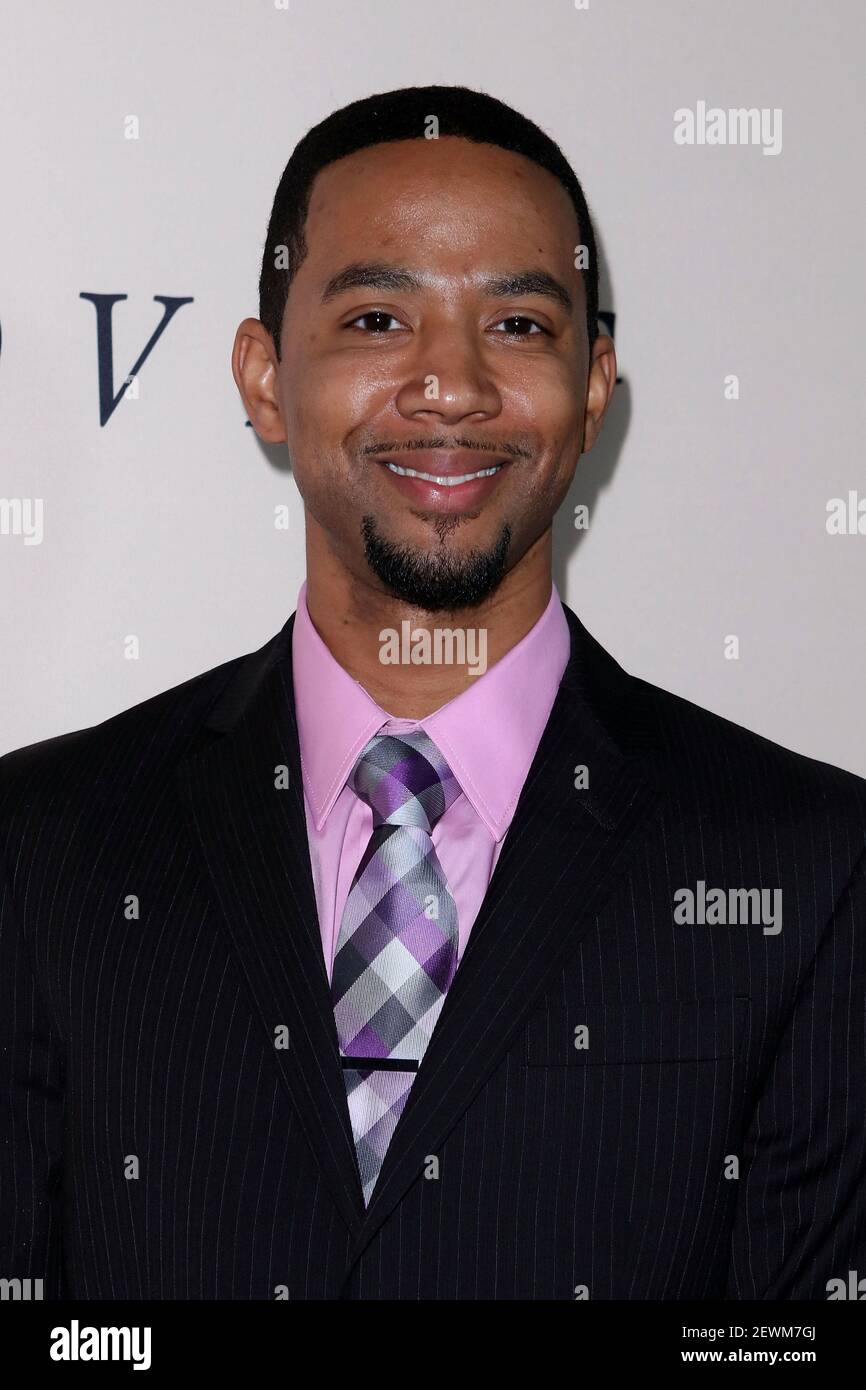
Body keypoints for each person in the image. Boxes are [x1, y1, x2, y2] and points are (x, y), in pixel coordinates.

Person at [1, 85, 864, 1301]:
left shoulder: (807, 866)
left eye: (517, 324)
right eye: (374, 317)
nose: (450, 386)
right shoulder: (42, 846)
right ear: (262, 376)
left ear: (594, 384)